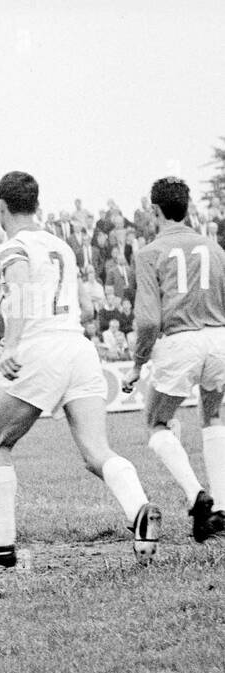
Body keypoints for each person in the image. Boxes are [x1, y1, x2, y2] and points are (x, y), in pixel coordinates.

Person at [0, 171, 159, 567]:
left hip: (41, 348)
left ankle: (3, 544)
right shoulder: (62, 245)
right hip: (78, 348)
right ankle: (139, 508)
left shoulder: (13, 246)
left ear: (1, 208)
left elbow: (21, 289)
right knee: (97, 452)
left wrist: (11, 343)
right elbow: (87, 307)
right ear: (37, 205)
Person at [120, 176, 225, 542]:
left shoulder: (149, 253)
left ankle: (198, 496)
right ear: (188, 207)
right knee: (212, 417)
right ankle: (222, 508)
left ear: (155, 211)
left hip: (180, 341)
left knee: (157, 422)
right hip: (219, 338)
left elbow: (148, 319)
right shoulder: (214, 249)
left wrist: (137, 364)